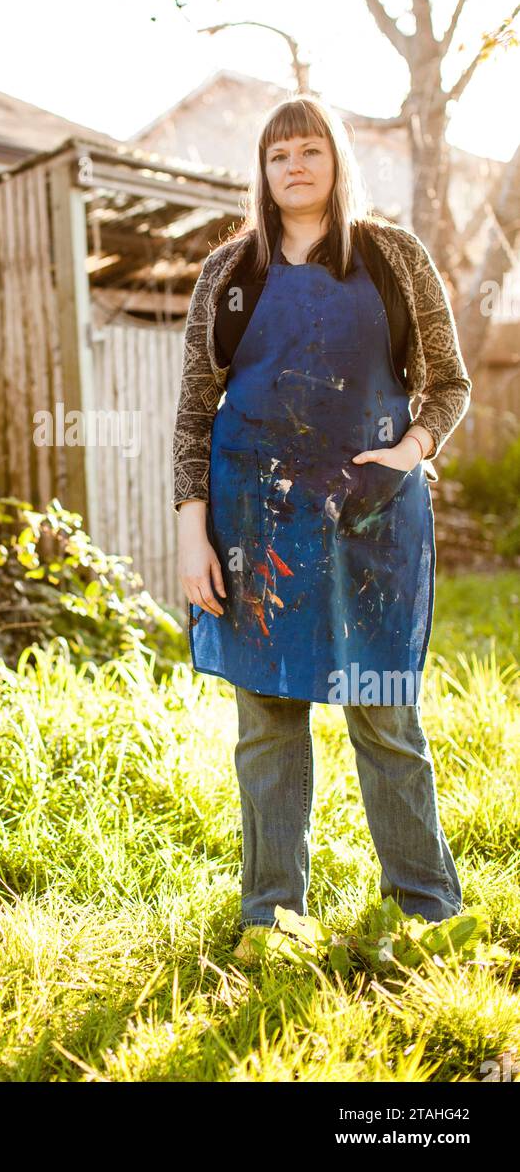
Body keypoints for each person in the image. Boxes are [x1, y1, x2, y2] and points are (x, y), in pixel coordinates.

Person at [173, 94, 471, 952]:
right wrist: (195, 533)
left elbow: (448, 381)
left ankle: (428, 914)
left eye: (309, 151)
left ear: (337, 160)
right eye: (277, 156)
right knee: (266, 725)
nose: (294, 167)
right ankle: (271, 921)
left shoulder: (393, 257)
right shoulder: (228, 275)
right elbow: (195, 411)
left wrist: (412, 449)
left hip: (370, 522)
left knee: (384, 713)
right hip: (255, 526)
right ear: (261, 173)